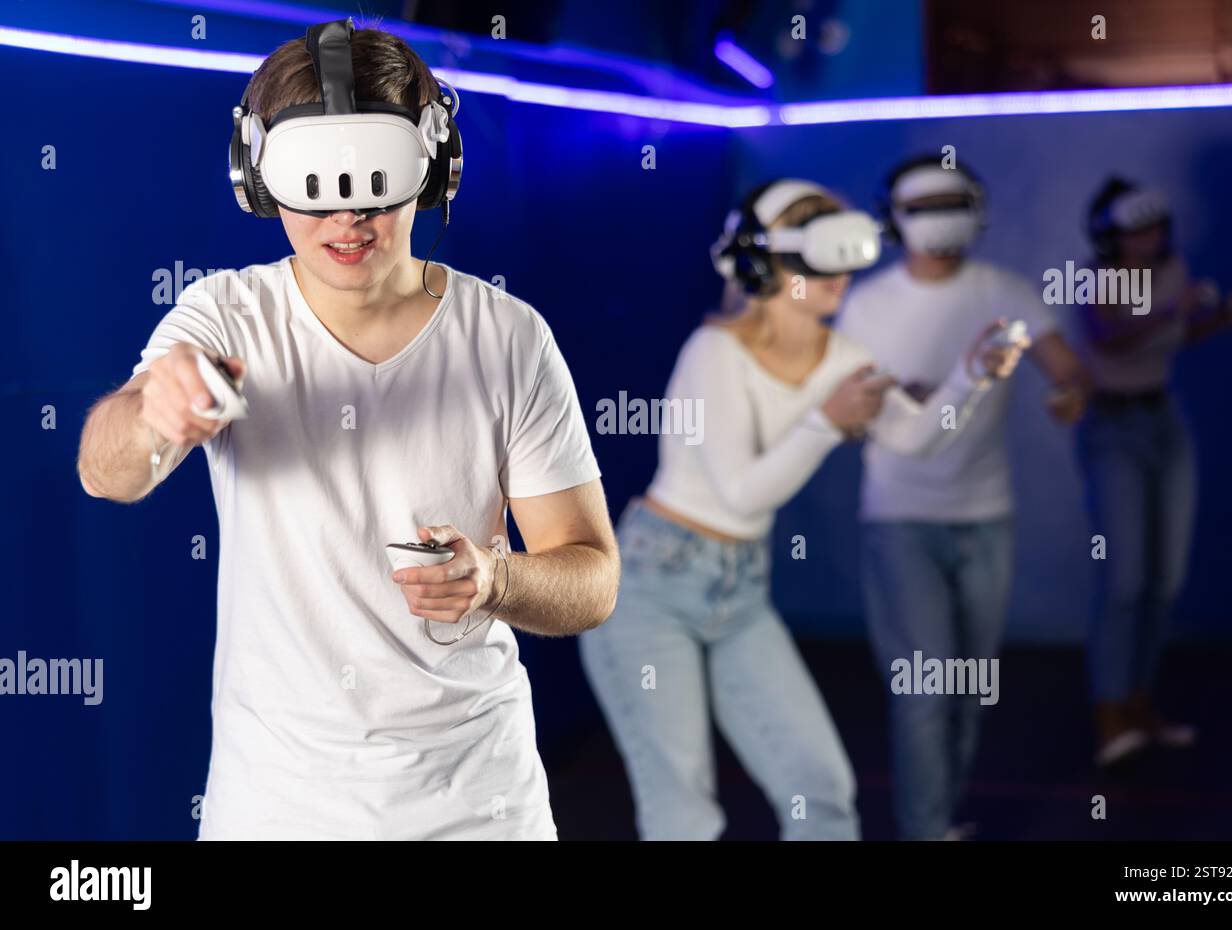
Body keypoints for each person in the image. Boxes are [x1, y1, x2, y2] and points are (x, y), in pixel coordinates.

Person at [75, 20, 619, 840]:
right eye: (316, 187)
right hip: (278, 806)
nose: (349, 219)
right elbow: (105, 473)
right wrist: (156, 413)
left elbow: (593, 580)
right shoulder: (226, 316)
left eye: (377, 183)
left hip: (478, 803)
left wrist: (495, 580)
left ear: (433, 167)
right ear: (258, 179)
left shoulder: (509, 337)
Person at [579, 178, 1026, 840]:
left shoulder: (846, 358)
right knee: (684, 815)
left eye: (845, 256)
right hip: (650, 586)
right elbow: (743, 492)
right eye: (817, 258)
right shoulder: (715, 353)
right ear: (769, 265)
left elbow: (915, 440)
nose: (837, 276)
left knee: (820, 791)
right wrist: (825, 421)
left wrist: (971, 377)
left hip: (742, 591)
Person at [837, 155, 1090, 840]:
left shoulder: (1005, 292)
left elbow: (1067, 371)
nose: (938, 216)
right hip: (899, 519)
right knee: (923, 690)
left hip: (986, 516)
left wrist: (1070, 392)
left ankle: (943, 814)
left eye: (952, 200)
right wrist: (908, 396)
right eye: (923, 204)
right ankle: (925, 829)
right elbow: (859, 413)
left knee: (969, 688)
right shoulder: (865, 305)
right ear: (894, 218)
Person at [1074, 178, 1232, 767]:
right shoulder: (1097, 279)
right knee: (1124, 580)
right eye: (1136, 230)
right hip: (1112, 426)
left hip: (1164, 419)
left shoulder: (1174, 270)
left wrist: (1212, 320)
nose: (1150, 239)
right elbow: (1109, 337)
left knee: (1164, 580)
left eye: (1155, 228)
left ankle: (1141, 702)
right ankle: (1109, 713)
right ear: (1111, 235)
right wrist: (1173, 308)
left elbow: (1165, 340)